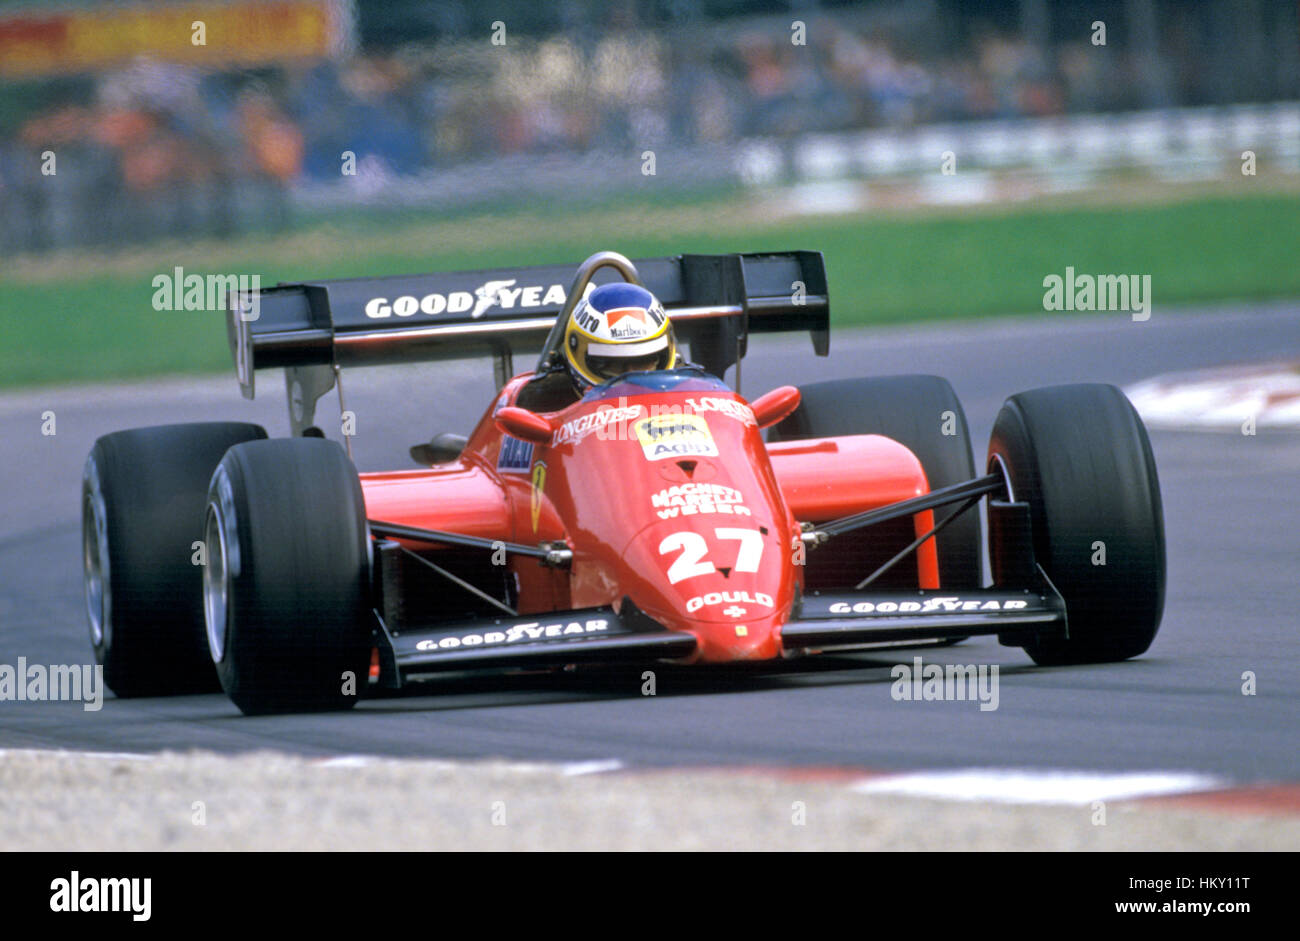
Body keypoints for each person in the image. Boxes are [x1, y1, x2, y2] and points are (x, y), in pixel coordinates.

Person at [519, 282, 678, 410]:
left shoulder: (691, 392)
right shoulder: (540, 405)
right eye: (614, 365)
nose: (631, 377)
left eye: (645, 361)